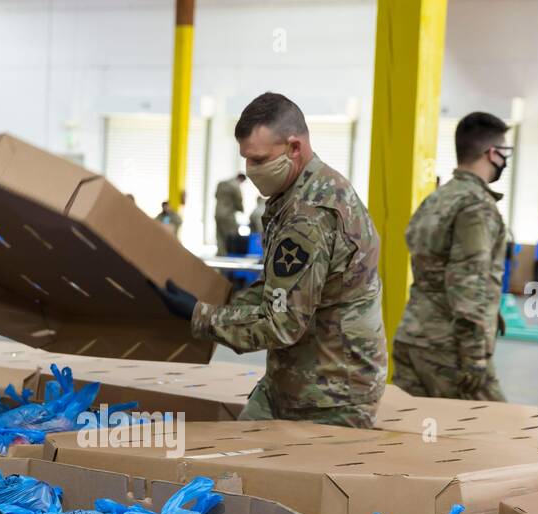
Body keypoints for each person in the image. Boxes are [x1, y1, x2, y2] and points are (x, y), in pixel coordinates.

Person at [151, 92, 387, 428]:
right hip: (294, 377)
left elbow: (281, 324)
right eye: (246, 160)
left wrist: (200, 315)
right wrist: (215, 302)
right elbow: (276, 289)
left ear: (294, 147)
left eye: (260, 160)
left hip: (330, 394)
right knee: (236, 461)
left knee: (269, 475)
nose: (251, 171)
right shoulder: (296, 193)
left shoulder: (310, 216)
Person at [392, 111, 511, 402]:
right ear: (492, 153)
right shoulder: (476, 207)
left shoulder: (436, 199)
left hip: (412, 337)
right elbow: (467, 281)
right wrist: (474, 356)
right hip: (449, 348)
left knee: (412, 433)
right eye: (504, 152)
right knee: (495, 434)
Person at [214, 173, 245, 253]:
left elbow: (215, 196)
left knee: (219, 233)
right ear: (241, 179)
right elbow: (239, 200)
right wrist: (241, 210)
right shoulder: (235, 185)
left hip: (217, 212)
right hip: (228, 214)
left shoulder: (221, 183)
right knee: (232, 233)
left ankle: (220, 252)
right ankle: (231, 252)